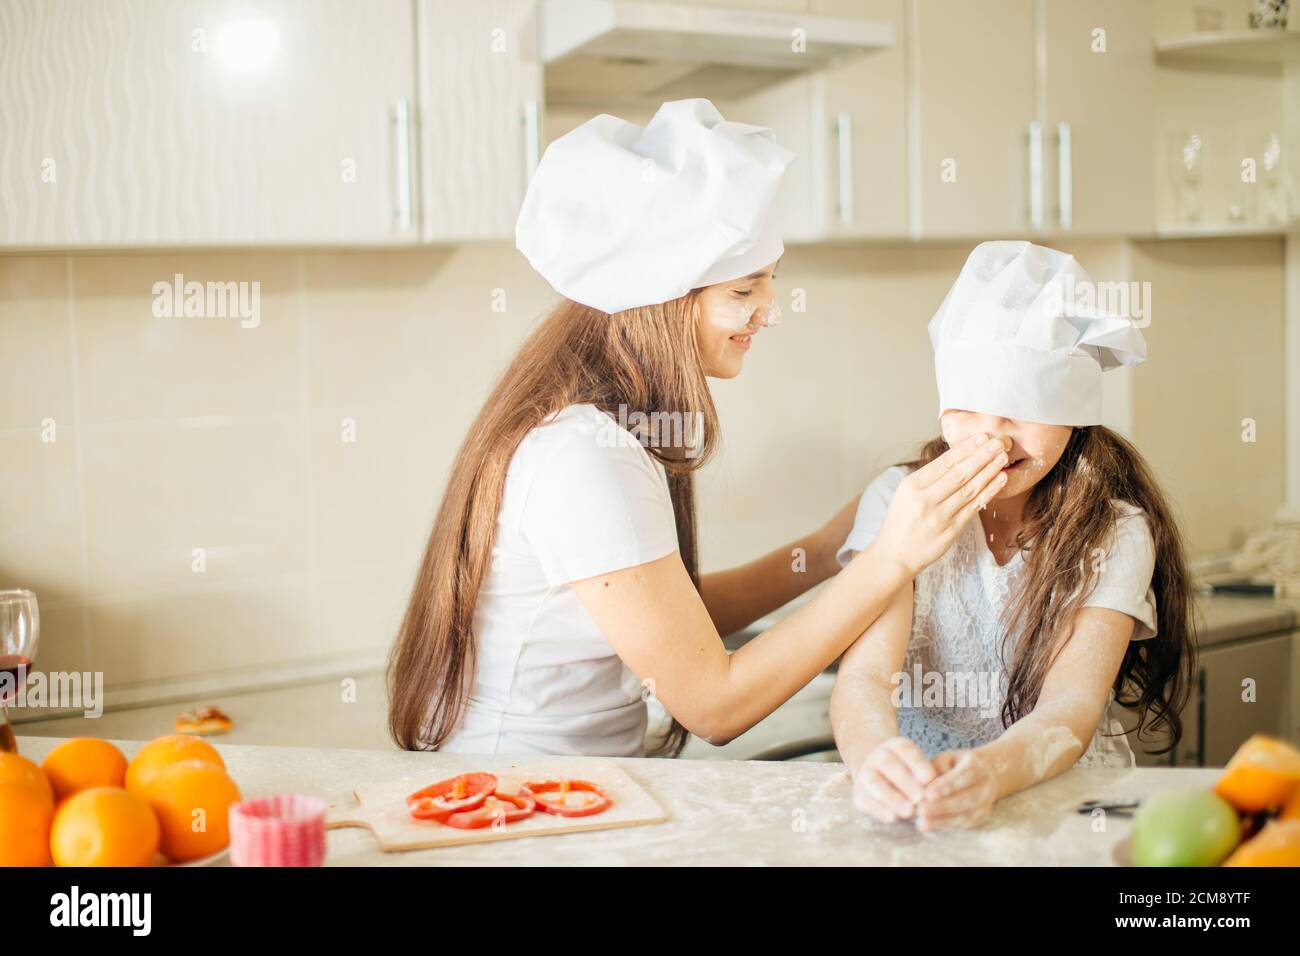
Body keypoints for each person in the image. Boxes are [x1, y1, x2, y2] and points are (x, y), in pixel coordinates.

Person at [386, 99, 1011, 757]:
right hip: (529, 807)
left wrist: (828, 548)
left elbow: (670, 620)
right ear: (660, 299)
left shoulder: (600, 429)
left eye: (769, 286)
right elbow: (713, 703)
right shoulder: (586, 455)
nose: (770, 314)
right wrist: (891, 559)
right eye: (745, 292)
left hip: (577, 791)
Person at [830, 240, 1196, 830]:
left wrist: (992, 771)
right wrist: (875, 758)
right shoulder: (898, 504)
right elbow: (868, 678)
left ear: (1073, 413)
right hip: (925, 801)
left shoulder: (1116, 531)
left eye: (1022, 412)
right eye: (969, 409)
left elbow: (1069, 708)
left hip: (1067, 805)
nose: (993, 438)